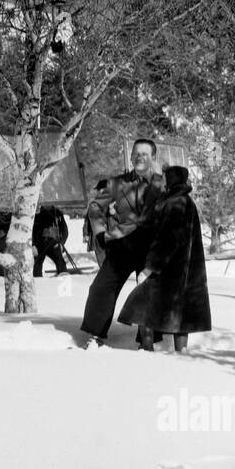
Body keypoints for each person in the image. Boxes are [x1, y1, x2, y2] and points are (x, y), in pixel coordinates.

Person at [116, 165, 212, 351]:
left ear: (172, 180)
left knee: (141, 302)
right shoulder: (182, 201)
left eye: (165, 177)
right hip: (182, 269)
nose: (162, 179)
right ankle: (180, 350)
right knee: (179, 310)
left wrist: (150, 267)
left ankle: (147, 346)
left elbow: (167, 240)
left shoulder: (175, 203)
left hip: (169, 269)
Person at [79, 139, 164, 345]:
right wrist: (100, 232)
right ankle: (95, 335)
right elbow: (95, 207)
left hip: (152, 246)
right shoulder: (117, 183)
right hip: (123, 244)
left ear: (153, 158)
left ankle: (148, 341)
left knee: (151, 289)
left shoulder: (163, 184)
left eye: (144, 154)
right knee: (101, 287)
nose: (139, 157)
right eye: (136, 153)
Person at [32, 205, 70, 277]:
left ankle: (64, 283)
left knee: (61, 264)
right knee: (37, 266)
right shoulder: (36, 213)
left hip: (54, 243)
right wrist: (33, 245)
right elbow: (31, 231)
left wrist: (62, 243)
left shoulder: (57, 213)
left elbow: (64, 230)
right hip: (39, 244)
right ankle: (38, 284)